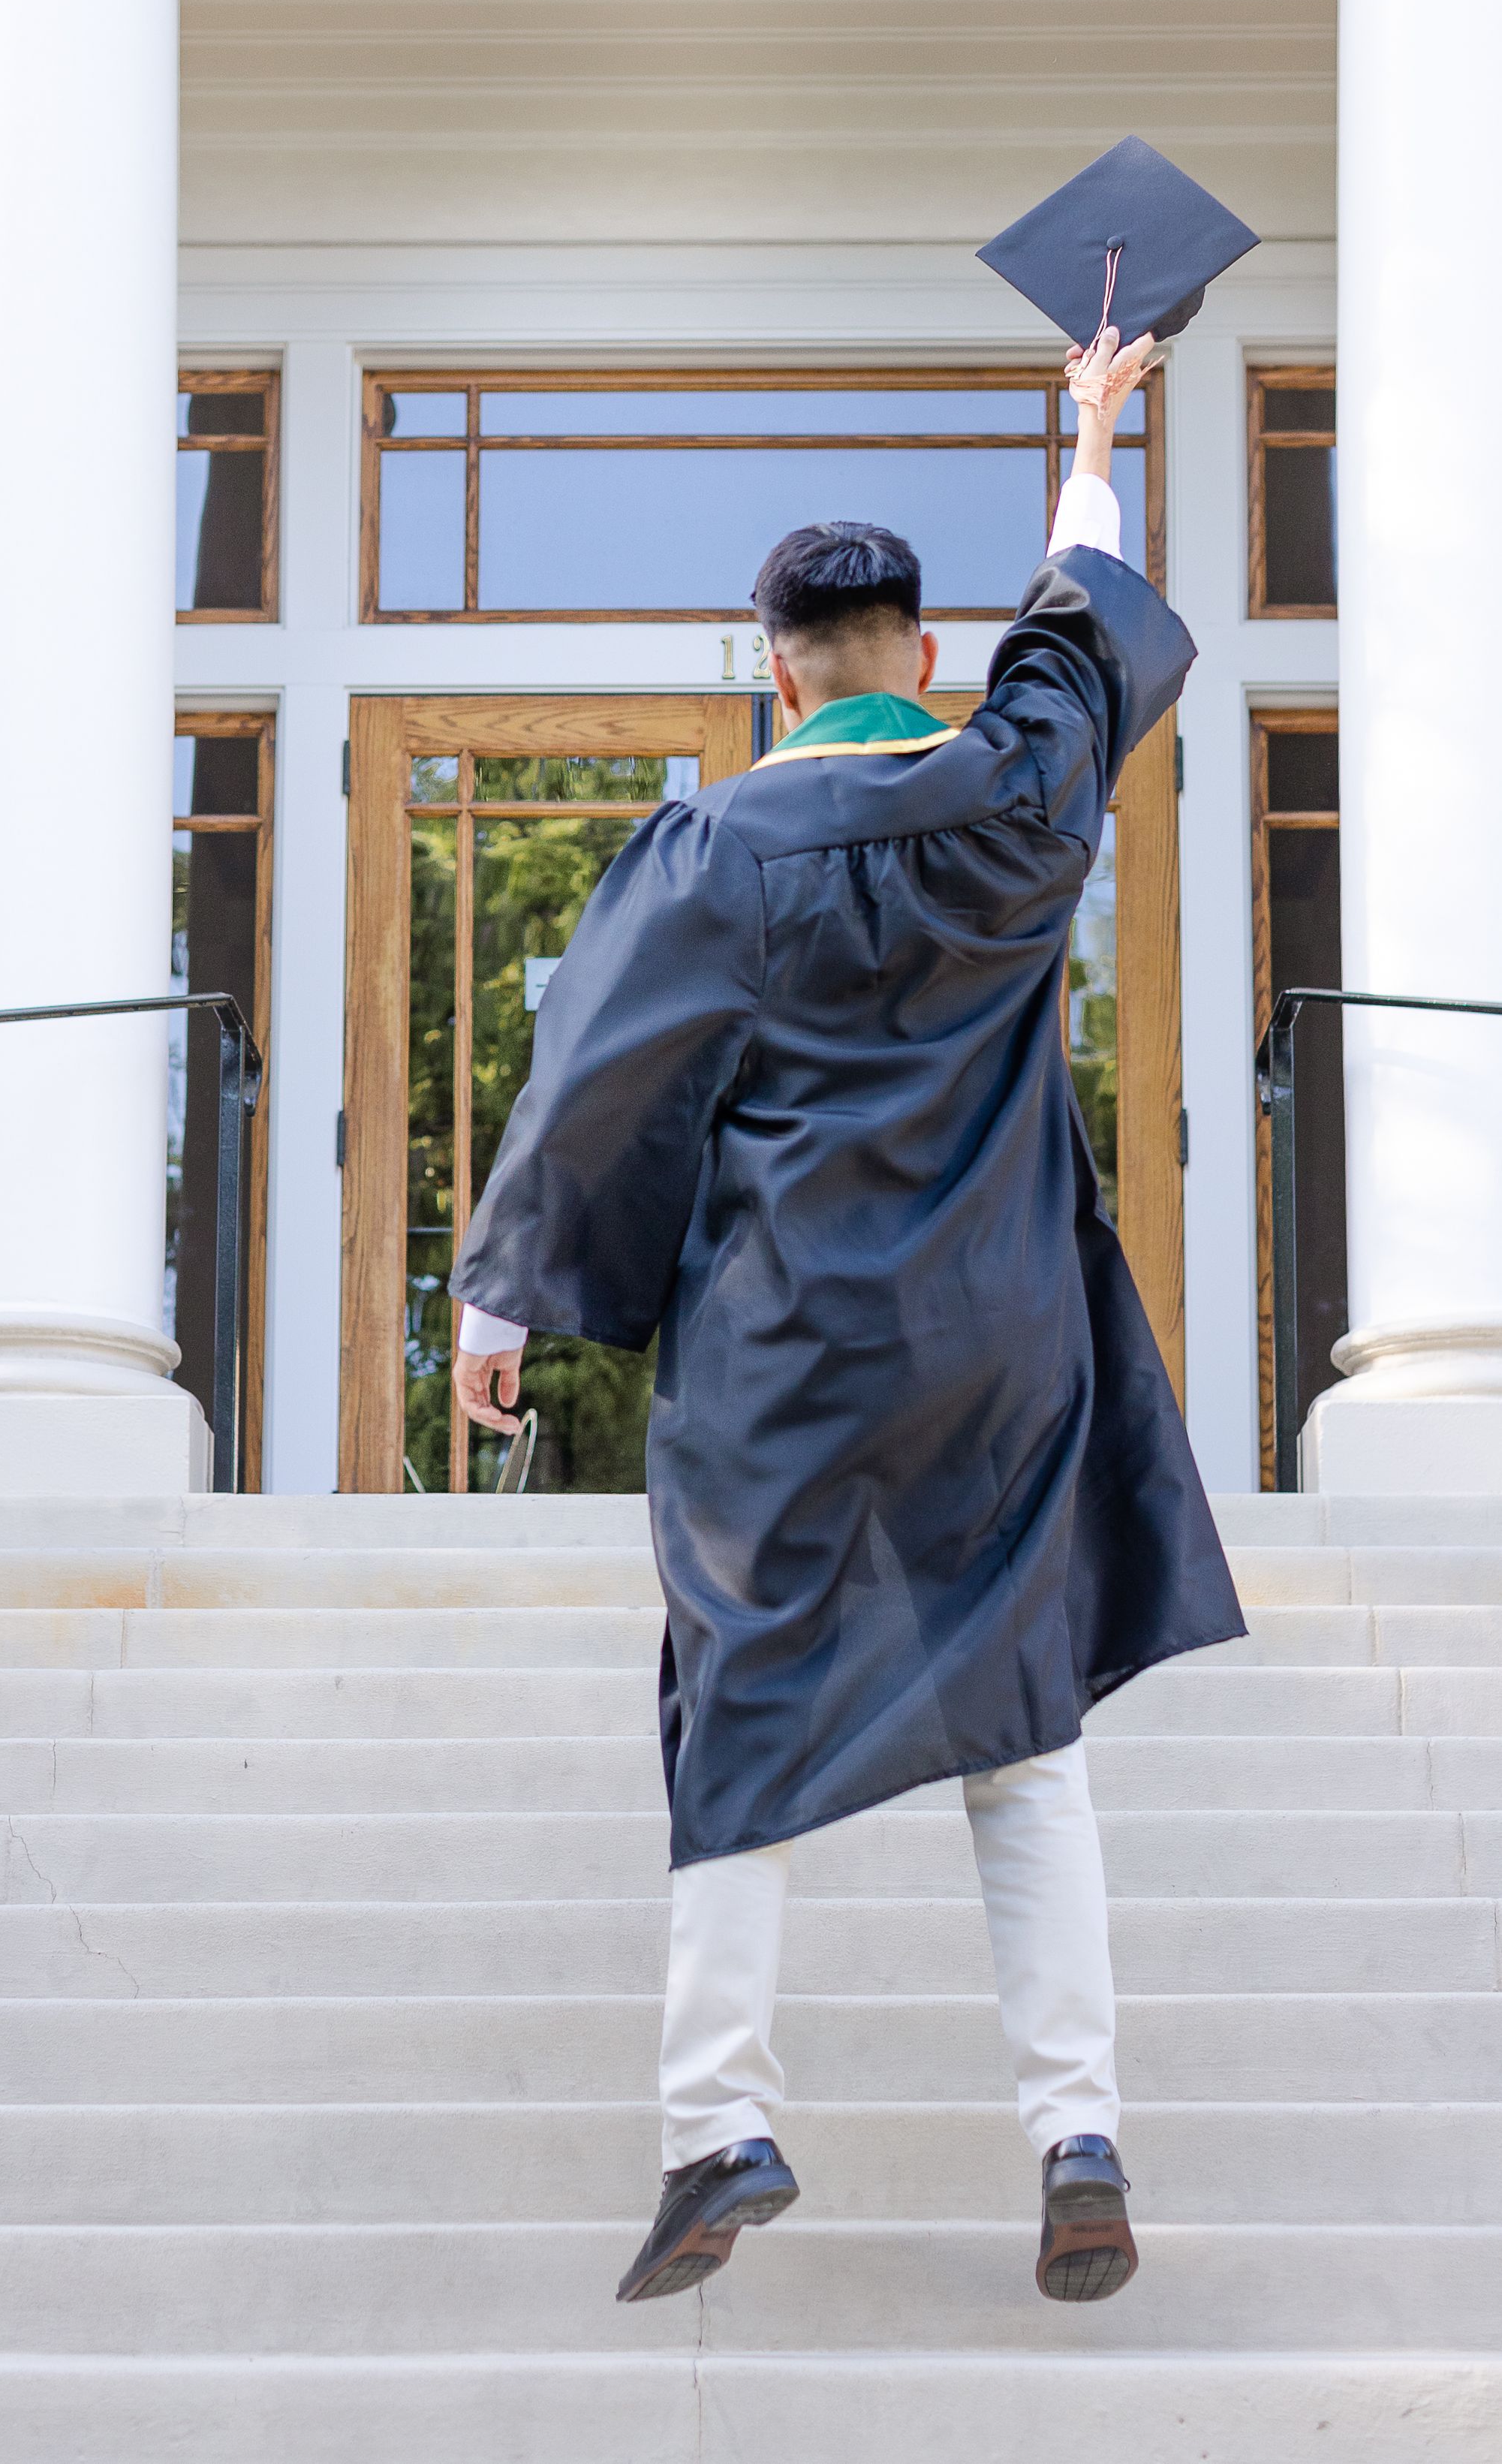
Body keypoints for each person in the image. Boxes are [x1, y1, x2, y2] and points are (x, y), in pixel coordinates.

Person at [448, 324, 1247, 2308]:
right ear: (915, 649)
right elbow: (1077, 624)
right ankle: (1075, 2128)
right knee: (1025, 1735)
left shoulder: (716, 847)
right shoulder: (1013, 796)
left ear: (777, 662)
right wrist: (1088, 429)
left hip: (785, 1350)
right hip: (998, 1341)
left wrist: (498, 1292)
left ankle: (716, 2121)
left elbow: (597, 1078)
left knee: (736, 1710)